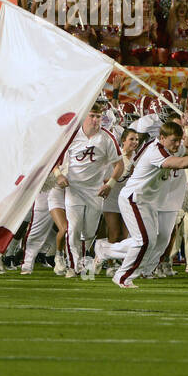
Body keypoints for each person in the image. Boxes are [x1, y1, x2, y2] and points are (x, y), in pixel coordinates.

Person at [94, 120, 188, 288]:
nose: (177, 144)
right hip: (134, 198)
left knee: (151, 242)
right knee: (144, 240)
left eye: (178, 140)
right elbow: (182, 163)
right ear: (162, 138)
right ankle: (123, 276)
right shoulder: (156, 151)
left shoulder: (171, 147)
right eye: (174, 140)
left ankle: (105, 250)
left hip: (148, 201)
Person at [57, 101, 121, 277]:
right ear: (84, 116)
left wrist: (110, 185)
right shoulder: (70, 135)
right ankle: (73, 266)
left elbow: (119, 165)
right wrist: (58, 175)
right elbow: (53, 158)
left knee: (90, 232)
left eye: (98, 117)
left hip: (95, 190)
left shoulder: (107, 138)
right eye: (91, 116)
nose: (95, 120)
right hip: (74, 188)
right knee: (73, 228)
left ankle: (84, 264)